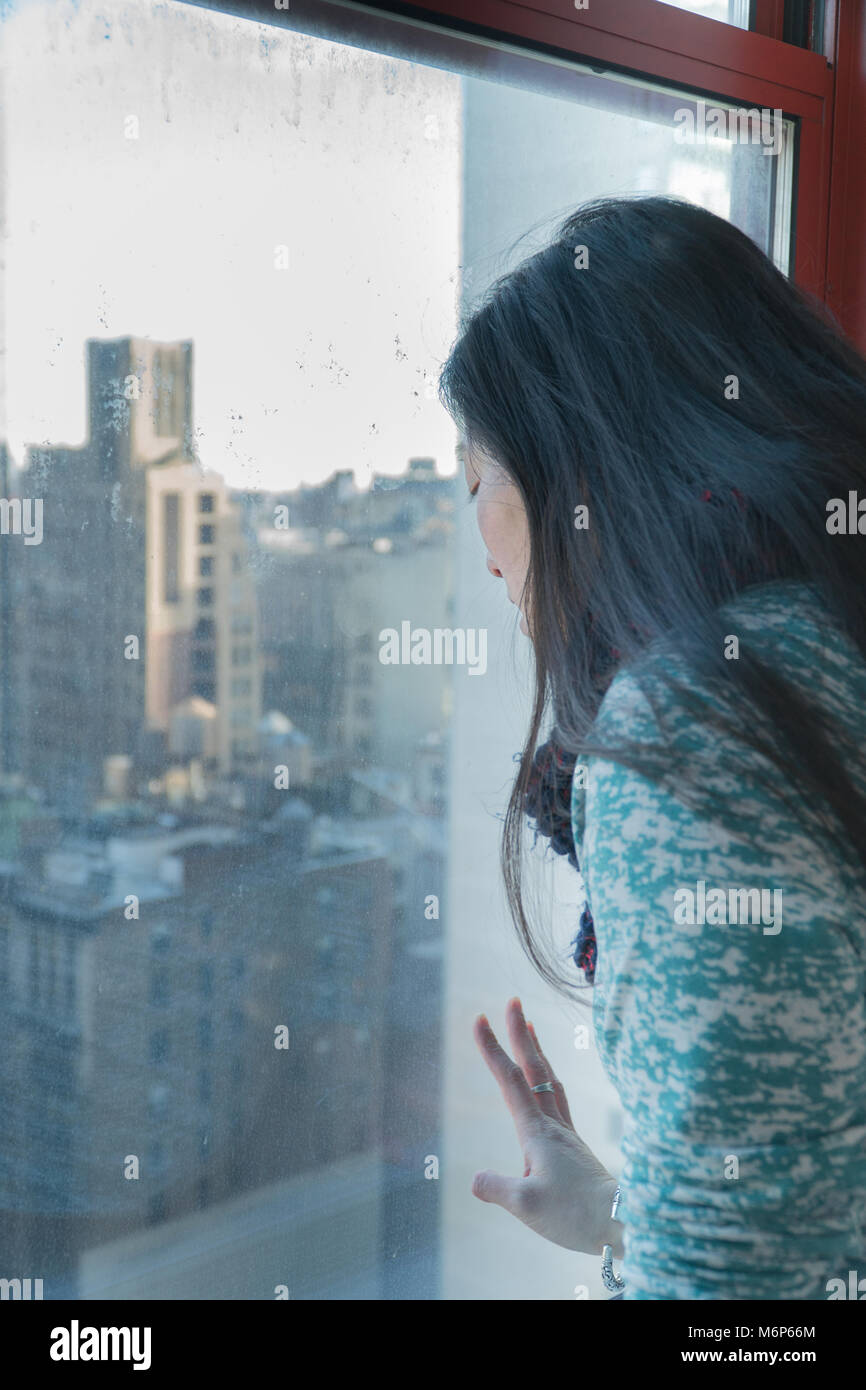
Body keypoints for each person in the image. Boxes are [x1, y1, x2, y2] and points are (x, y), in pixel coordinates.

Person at [438, 195, 866, 1299]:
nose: (479, 539)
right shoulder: (823, 637)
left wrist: (669, 1248)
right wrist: (630, 1218)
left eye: (474, 476)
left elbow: (737, 1301)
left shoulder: (695, 731)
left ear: (579, 476)